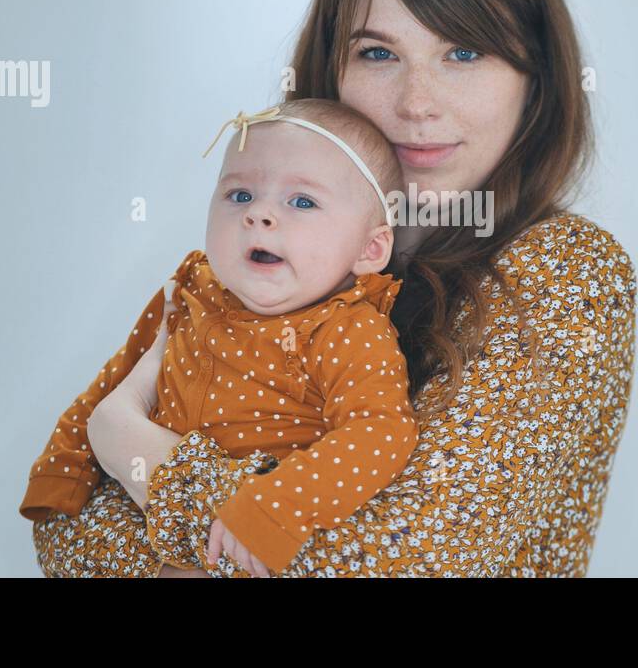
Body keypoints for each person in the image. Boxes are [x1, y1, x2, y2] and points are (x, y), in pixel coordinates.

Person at [30, 0, 637, 578]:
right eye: (378, 53)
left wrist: (130, 441)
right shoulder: (279, 255)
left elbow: (400, 561)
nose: (416, 103)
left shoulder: (569, 272)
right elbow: (66, 529)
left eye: (464, 53)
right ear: (332, 68)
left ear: (536, 77)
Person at [21, 99, 422, 576]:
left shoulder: (347, 329)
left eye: (302, 202)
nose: (260, 216)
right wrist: (62, 468)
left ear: (369, 248)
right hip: (143, 514)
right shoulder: (189, 290)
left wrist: (280, 504)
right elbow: (115, 379)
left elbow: (379, 432)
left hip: (254, 522)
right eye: (239, 195)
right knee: (78, 547)